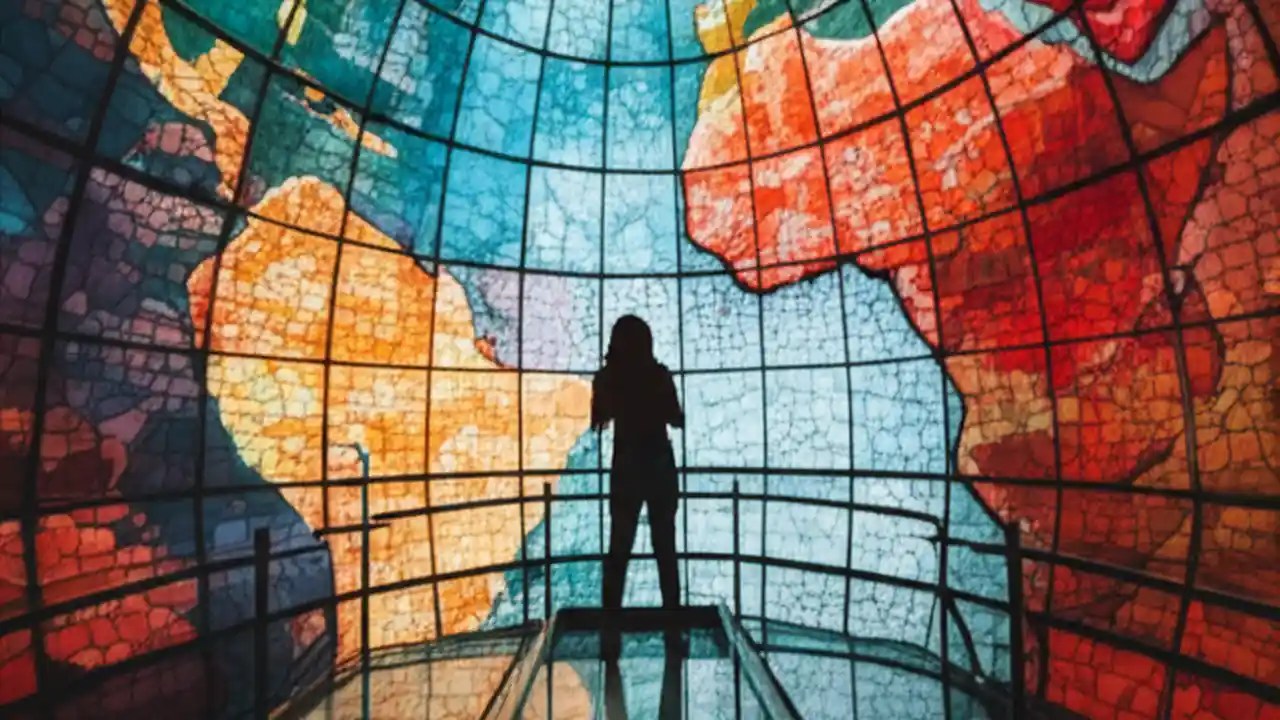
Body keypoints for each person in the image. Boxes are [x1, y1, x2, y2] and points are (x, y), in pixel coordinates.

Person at [592, 315, 684, 612]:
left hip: (626, 466)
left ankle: (611, 618)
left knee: (619, 548)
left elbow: (599, 419)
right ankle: (672, 616)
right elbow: (676, 418)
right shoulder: (659, 376)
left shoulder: (608, 379)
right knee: (665, 548)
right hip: (659, 465)